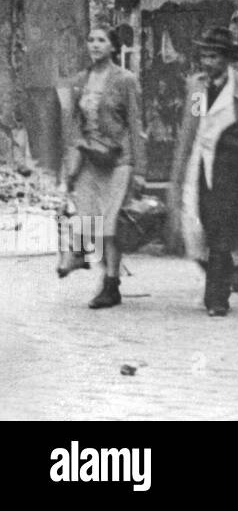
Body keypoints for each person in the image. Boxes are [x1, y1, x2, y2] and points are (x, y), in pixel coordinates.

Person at [171, 26, 238, 316]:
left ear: (228, 59)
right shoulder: (196, 87)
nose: (208, 62)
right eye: (204, 56)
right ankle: (234, 262)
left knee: (220, 230)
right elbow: (190, 126)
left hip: (234, 170)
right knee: (197, 230)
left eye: (214, 56)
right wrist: (180, 167)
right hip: (201, 162)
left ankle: (216, 299)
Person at [59, 26, 145, 309]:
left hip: (118, 160)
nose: (95, 45)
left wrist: (140, 170)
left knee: (109, 226)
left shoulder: (125, 80)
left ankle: (111, 285)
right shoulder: (80, 81)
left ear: (112, 47)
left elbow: (135, 125)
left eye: (101, 40)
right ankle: (81, 255)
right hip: (89, 159)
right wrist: (69, 170)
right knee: (86, 218)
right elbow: (73, 127)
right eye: (91, 40)